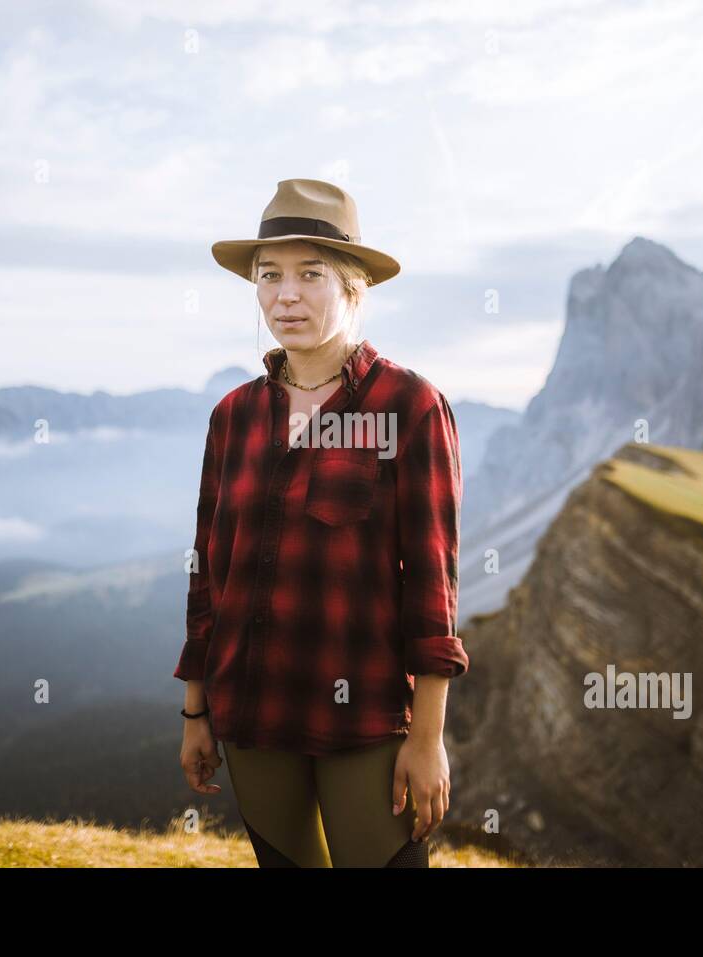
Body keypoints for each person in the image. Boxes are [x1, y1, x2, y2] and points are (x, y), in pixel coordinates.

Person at [175, 178, 469, 867]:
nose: (286, 295)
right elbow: (206, 571)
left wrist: (426, 739)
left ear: (355, 286)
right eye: (269, 275)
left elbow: (433, 585)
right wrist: (196, 710)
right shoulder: (234, 415)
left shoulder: (410, 406)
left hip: (365, 717)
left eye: (311, 274)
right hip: (250, 711)